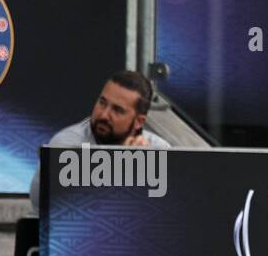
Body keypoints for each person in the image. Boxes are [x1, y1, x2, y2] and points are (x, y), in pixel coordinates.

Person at [30, 70, 170, 212]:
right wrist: (125, 169)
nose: (103, 114)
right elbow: (47, 206)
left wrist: (144, 171)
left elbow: (168, 214)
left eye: (117, 110)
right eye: (102, 103)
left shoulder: (158, 151)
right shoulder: (68, 146)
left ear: (139, 122)